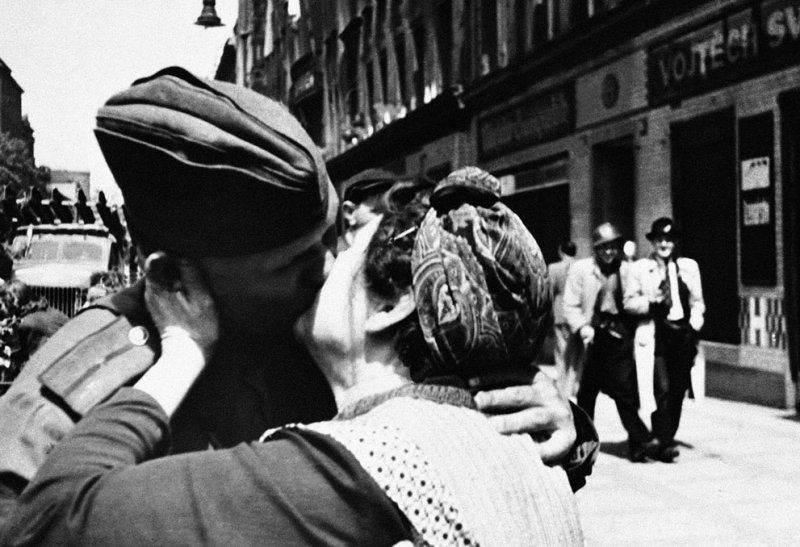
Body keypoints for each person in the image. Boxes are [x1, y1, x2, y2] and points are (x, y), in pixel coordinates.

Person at [0, 67, 592, 524]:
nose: (331, 268)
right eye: (294, 263)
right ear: (176, 277)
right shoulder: (88, 388)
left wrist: (558, 420)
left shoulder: (313, 331)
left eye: (331, 240)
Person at [563, 222, 652, 462]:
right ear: (595, 249)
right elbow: (570, 305)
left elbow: (641, 297)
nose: (609, 253)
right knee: (586, 394)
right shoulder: (581, 270)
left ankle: (639, 442)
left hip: (619, 335)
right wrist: (582, 328)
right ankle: (583, 444)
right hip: (591, 336)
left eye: (613, 247)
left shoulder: (628, 269)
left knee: (625, 391)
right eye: (603, 248)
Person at [624, 217, 704, 462]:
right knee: (662, 388)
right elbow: (628, 302)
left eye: (669, 240)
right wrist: (651, 303)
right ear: (653, 242)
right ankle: (663, 440)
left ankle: (665, 438)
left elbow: (697, 302)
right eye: (660, 240)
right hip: (656, 332)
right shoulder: (640, 268)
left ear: (675, 242)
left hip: (682, 334)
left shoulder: (688, 267)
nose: (664, 244)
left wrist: (695, 323)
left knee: (678, 389)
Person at [548, 240, 578, 398]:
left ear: (561, 251)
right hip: (576, 314)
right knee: (574, 352)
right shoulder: (579, 267)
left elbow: (550, 291)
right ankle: (573, 386)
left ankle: (562, 386)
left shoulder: (554, 268)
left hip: (560, 313)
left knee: (561, 352)